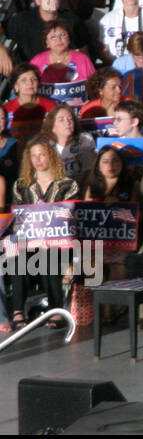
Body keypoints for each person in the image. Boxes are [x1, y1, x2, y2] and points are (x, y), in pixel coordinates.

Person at [9, 137, 80, 327]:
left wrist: (49, 238)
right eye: (33, 156)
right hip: (29, 241)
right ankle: (17, 310)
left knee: (49, 256)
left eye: (42, 155)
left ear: (51, 157)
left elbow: (69, 216)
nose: (38, 160)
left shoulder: (68, 184)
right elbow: (19, 219)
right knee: (18, 257)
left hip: (59, 242)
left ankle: (55, 309)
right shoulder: (21, 185)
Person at [31, 20, 95, 85]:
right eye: (53, 37)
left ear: (69, 39)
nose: (58, 39)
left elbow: (94, 86)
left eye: (62, 35)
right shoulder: (37, 61)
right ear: (46, 42)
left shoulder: (83, 60)